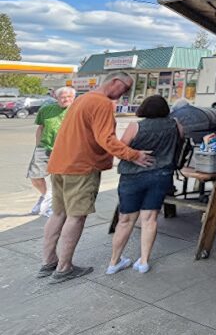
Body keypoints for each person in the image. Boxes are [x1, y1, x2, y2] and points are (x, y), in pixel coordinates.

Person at [39, 73, 154, 282]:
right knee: (76, 216)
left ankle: (48, 262)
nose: (125, 94)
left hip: (60, 164)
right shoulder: (101, 103)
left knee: (58, 213)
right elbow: (107, 139)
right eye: (125, 88)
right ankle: (64, 267)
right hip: (81, 167)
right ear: (115, 82)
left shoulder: (83, 99)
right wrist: (134, 155)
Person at [107, 95, 182, 275]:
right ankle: (144, 261)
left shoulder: (136, 126)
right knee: (150, 219)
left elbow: (121, 149)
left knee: (125, 220)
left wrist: (136, 155)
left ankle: (114, 262)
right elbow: (179, 146)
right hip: (161, 174)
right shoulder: (176, 124)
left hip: (132, 177)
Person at [27, 87, 76, 216]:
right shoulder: (46, 110)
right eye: (63, 97)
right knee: (35, 177)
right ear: (56, 98)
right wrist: (38, 146)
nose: (66, 99)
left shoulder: (77, 111)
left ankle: (53, 206)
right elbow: (40, 128)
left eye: (69, 97)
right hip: (45, 147)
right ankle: (45, 196)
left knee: (59, 180)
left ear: (73, 98)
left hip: (65, 151)